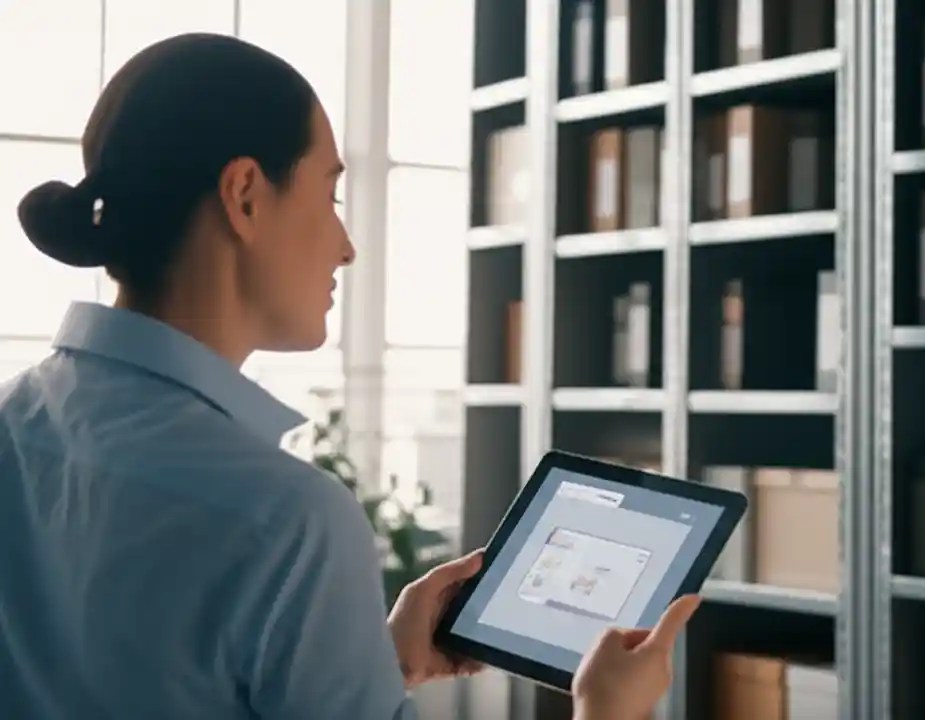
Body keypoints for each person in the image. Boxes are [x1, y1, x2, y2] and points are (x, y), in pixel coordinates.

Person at [0, 33, 700, 719]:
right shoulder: (287, 519)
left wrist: (375, 664)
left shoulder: (11, 421)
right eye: (331, 194)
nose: (347, 247)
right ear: (245, 195)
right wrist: (609, 709)